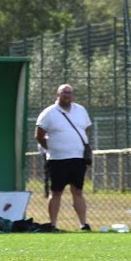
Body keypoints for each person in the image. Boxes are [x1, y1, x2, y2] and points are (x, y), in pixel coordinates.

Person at [35, 84, 93, 231]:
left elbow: (85, 130)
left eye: (70, 92)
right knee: (56, 192)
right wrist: (51, 148)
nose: (67, 95)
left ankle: (83, 224)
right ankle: (53, 224)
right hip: (57, 159)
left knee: (78, 192)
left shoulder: (80, 110)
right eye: (64, 92)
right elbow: (39, 135)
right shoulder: (49, 113)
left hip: (78, 158)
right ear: (57, 95)